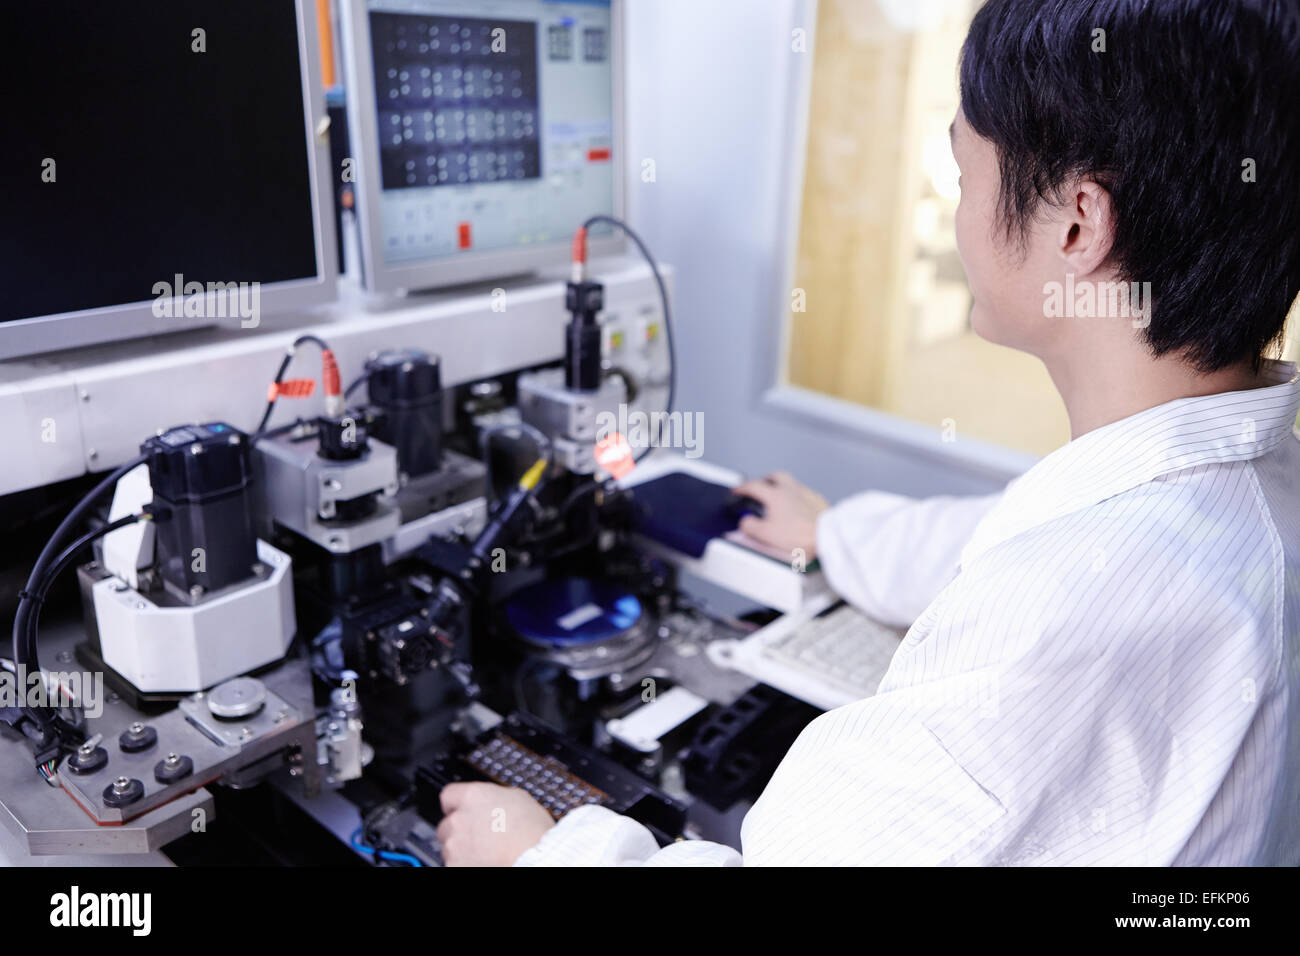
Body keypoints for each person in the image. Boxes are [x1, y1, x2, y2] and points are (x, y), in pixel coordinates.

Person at [436, 0, 1300, 865]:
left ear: (1077, 225)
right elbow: (1016, 532)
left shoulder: (1068, 611)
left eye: (964, 175)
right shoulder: (1247, 484)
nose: (959, 216)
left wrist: (536, 853)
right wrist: (837, 535)